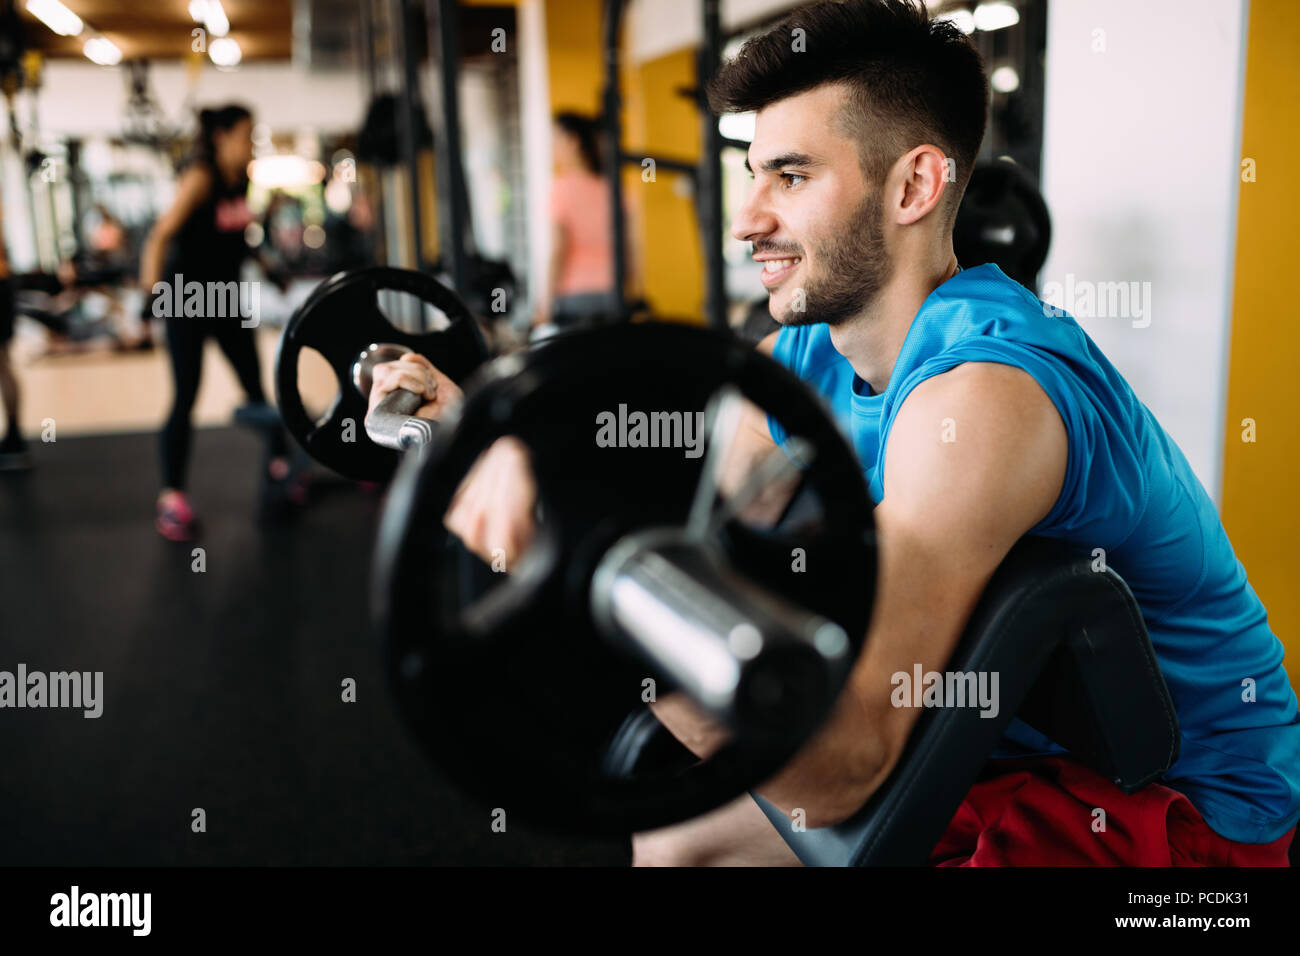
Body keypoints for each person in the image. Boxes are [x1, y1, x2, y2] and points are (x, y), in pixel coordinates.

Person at [369, 0, 1299, 866]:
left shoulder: (984, 399)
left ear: (915, 186)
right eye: (751, 174)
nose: (746, 221)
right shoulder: (804, 350)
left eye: (791, 176)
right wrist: (481, 435)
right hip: (1005, 740)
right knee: (678, 836)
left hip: (1177, 812)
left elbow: (842, 771)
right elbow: (713, 519)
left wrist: (576, 562)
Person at [138, 104, 298, 540]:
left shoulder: (241, 178)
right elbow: (161, 233)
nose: (251, 143)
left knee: (255, 384)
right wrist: (149, 293)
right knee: (186, 393)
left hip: (224, 296)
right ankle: (171, 499)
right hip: (187, 296)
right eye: (246, 134)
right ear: (222, 137)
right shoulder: (202, 176)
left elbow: (236, 233)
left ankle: (280, 465)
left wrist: (267, 267)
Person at [532, 112, 617, 333]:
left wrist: (545, 305)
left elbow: (559, 249)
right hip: (614, 296)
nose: (551, 147)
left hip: (575, 299)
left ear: (573, 140)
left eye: (555, 139)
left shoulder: (561, 188)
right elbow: (632, 249)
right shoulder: (616, 191)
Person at [0, 198, 29, 471]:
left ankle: (14, 438)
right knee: (4, 363)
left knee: (3, 364)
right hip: (4, 282)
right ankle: (14, 436)